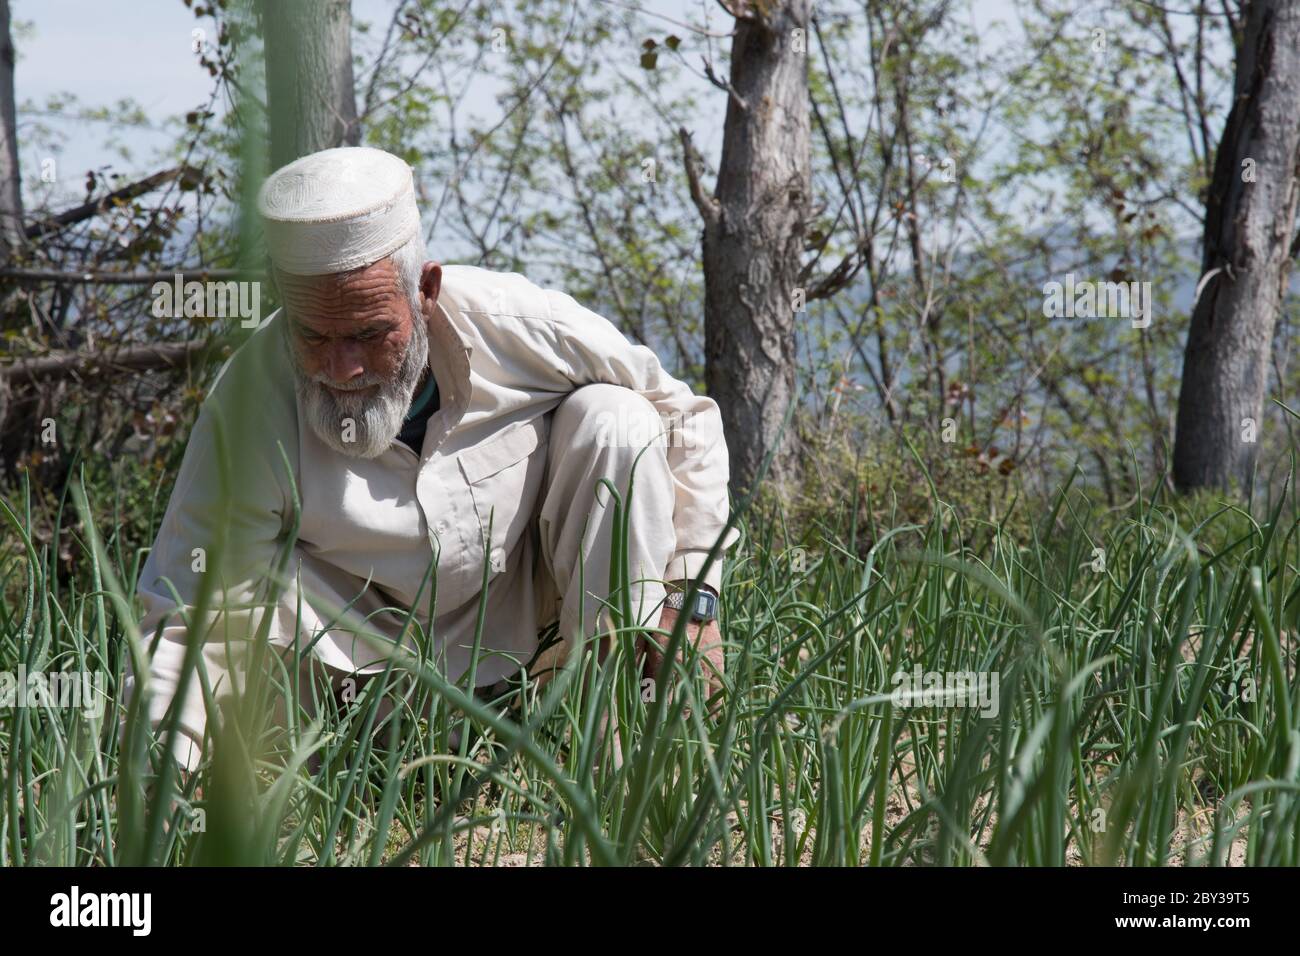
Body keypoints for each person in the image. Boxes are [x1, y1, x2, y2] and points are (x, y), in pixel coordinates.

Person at [123, 146, 739, 771]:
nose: (342, 368)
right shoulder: (252, 397)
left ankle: (619, 749)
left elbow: (685, 418)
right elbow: (188, 611)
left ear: (426, 290)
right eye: (312, 336)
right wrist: (160, 775)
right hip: (349, 689)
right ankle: (339, 765)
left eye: (367, 332)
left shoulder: (521, 326)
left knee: (617, 419)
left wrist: (692, 596)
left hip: (534, 647)